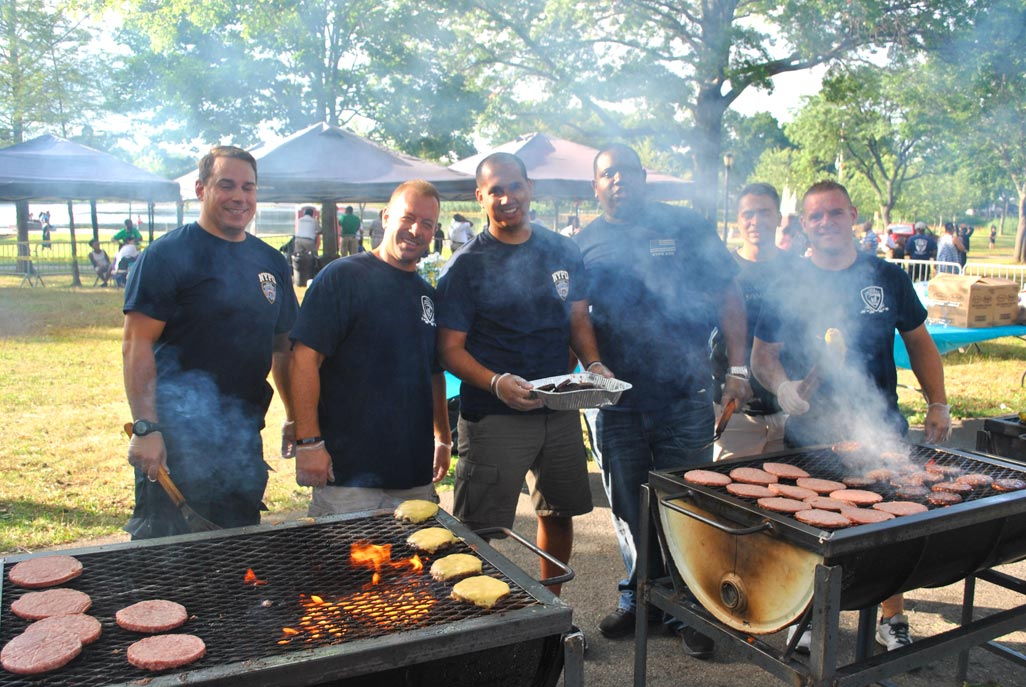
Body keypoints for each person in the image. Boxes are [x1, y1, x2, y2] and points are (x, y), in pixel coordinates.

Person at [752, 179, 951, 654]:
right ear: (804, 225)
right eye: (816, 216)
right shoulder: (787, 284)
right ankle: (807, 619)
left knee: (888, 527)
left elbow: (920, 343)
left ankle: (892, 617)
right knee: (810, 527)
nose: (826, 223)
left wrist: (938, 402)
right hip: (811, 432)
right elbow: (763, 355)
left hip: (878, 425)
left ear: (853, 215)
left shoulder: (887, 277)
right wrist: (782, 386)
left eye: (835, 213)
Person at [574, 144, 750, 657]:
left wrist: (737, 371)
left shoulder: (687, 228)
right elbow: (578, 316)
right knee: (628, 507)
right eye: (608, 174)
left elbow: (729, 296)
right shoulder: (584, 243)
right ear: (596, 186)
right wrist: (591, 368)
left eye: (627, 171)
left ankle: (690, 608)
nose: (619, 181)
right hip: (614, 405)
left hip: (684, 395)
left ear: (643, 177)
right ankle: (639, 599)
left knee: (687, 504)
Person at [436, 152, 608, 597]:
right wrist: (496, 382)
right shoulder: (466, 266)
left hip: (557, 408)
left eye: (514, 186)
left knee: (558, 512)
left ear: (530, 187)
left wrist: (592, 365)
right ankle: (474, 619)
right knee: (478, 528)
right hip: (493, 414)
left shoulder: (561, 250)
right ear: (480, 198)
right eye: (495, 190)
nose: (507, 197)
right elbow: (448, 349)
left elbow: (577, 320)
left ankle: (551, 609)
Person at [122, 146, 298, 539]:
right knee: (166, 562)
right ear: (201, 189)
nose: (240, 197)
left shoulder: (270, 262)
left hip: (242, 437)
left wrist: (293, 415)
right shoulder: (166, 256)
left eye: (248, 188)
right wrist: (146, 428)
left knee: (238, 555)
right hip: (175, 442)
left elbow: (283, 347)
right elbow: (136, 345)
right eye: (227, 185)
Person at [289, 180, 451, 514]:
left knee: (416, 566)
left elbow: (433, 372)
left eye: (427, 223)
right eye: (407, 218)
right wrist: (309, 442)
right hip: (349, 476)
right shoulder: (343, 277)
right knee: (340, 566)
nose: (415, 230)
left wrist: (443, 438)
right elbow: (304, 359)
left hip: (413, 473)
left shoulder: (427, 294)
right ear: (386, 216)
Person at [710, 183, 793, 461]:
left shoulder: (800, 271)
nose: (755, 221)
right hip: (737, 415)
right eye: (748, 214)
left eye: (764, 212)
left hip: (792, 414)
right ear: (738, 220)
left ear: (779, 218)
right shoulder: (721, 274)